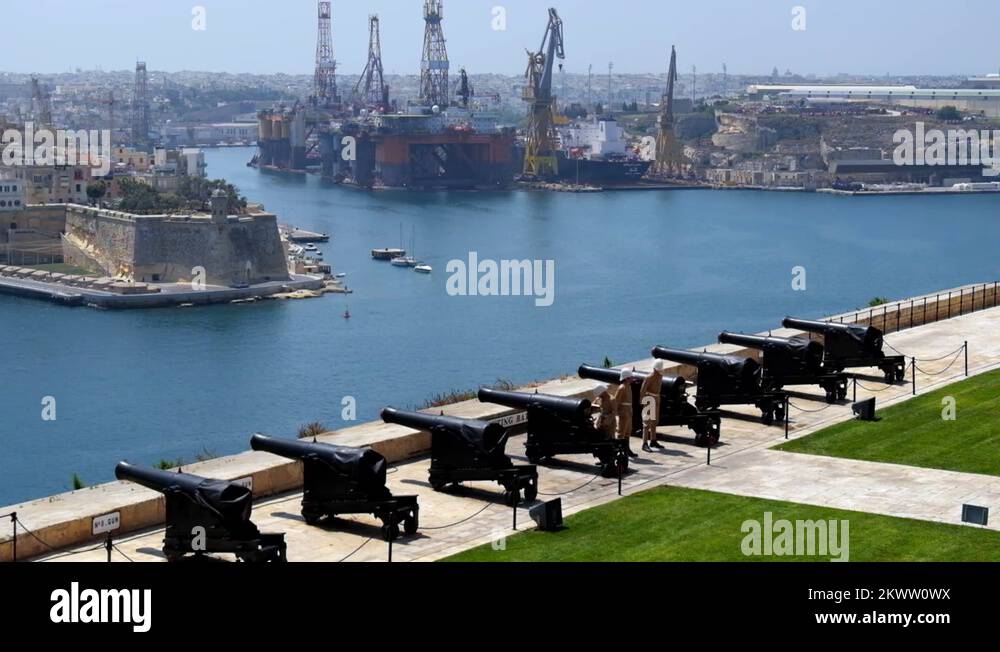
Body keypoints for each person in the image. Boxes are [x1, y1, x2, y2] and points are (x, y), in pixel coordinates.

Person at [612, 370, 639, 458]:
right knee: (621, 432)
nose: (632, 379)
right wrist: (615, 413)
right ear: (627, 378)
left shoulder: (628, 386)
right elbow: (616, 401)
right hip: (624, 413)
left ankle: (627, 449)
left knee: (628, 432)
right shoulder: (622, 388)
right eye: (631, 377)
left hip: (628, 412)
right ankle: (618, 451)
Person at [639, 362, 665, 453]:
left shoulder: (660, 376)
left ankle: (653, 440)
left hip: (656, 398)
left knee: (654, 421)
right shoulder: (649, 377)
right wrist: (642, 401)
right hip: (649, 398)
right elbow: (643, 390)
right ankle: (644, 443)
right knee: (647, 423)